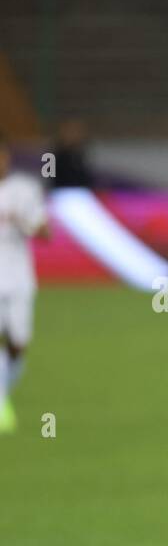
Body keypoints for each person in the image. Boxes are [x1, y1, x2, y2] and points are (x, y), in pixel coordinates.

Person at [0, 133, 51, 432]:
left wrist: (22, 222)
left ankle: (2, 394)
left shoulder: (24, 189)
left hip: (18, 279)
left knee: (18, 343)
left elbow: (46, 232)